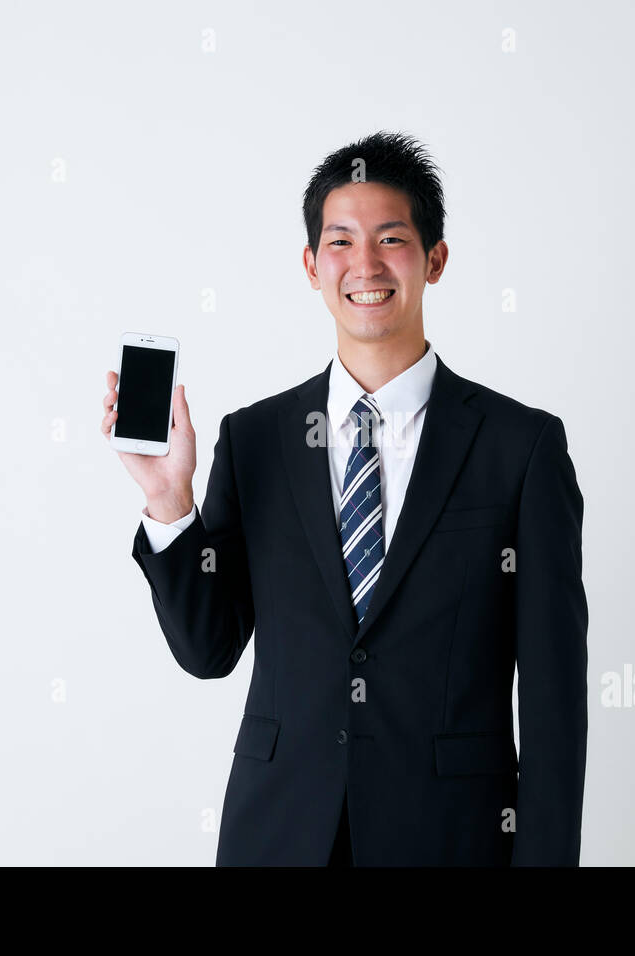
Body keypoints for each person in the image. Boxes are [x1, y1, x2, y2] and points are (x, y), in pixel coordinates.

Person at [102, 131, 588, 866]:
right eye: (341, 242)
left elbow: (555, 707)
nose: (365, 264)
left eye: (392, 239)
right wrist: (172, 502)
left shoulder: (520, 448)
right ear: (311, 265)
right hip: (280, 832)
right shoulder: (255, 438)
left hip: (454, 838)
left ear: (435, 259)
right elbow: (209, 651)